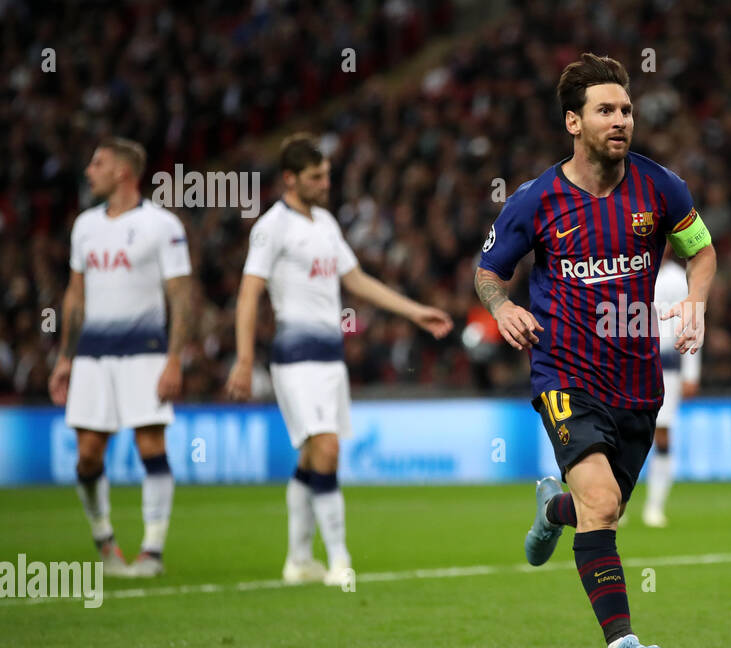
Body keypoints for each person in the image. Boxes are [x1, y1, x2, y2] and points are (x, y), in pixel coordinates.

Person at [474, 53, 717, 648]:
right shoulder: (535, 200)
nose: (620, 120)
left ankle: (549, 511)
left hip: (638, 383)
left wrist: (695, 300)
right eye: (605, 110)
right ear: (573, 123)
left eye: (626, 109)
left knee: (594, 511)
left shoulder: (662, 188)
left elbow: (703, 250)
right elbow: (489, 271)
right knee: (603, 506)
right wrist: (502, 307)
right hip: (565, 377)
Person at [225, 134, 452, 585]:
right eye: (315, 177)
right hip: (293, 358)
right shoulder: (272, 227)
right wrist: (244, 358)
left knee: (313, 456)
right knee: (327, 448)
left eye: (327, 174)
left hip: (330, 357)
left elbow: (357, 280)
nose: (325, 183)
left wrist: (413, 311)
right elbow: (250, 291)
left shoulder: (326, 222)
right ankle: (340, 561)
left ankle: (297, 559)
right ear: (290, 179)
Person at [48, 138, 193, 578]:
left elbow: (181, 294)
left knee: (151, 445)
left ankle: (152, 550)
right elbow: (76, 293)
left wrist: (175, 358)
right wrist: (65, 357)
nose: (89, 171)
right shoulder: (85, 226)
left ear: (123, 173)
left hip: (145, 352)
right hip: (92, 354)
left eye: (98, 163)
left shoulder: (162, 225)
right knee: (88, 456)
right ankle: (104, 541)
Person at [641, 255, 701, 528]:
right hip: (632, 362)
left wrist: (691, 371)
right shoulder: (630, 268)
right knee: (624, 431)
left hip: (667, 366)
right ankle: (616, 501)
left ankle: (655, 505)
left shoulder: (676, 278)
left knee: (661, 432)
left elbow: (691, 319)